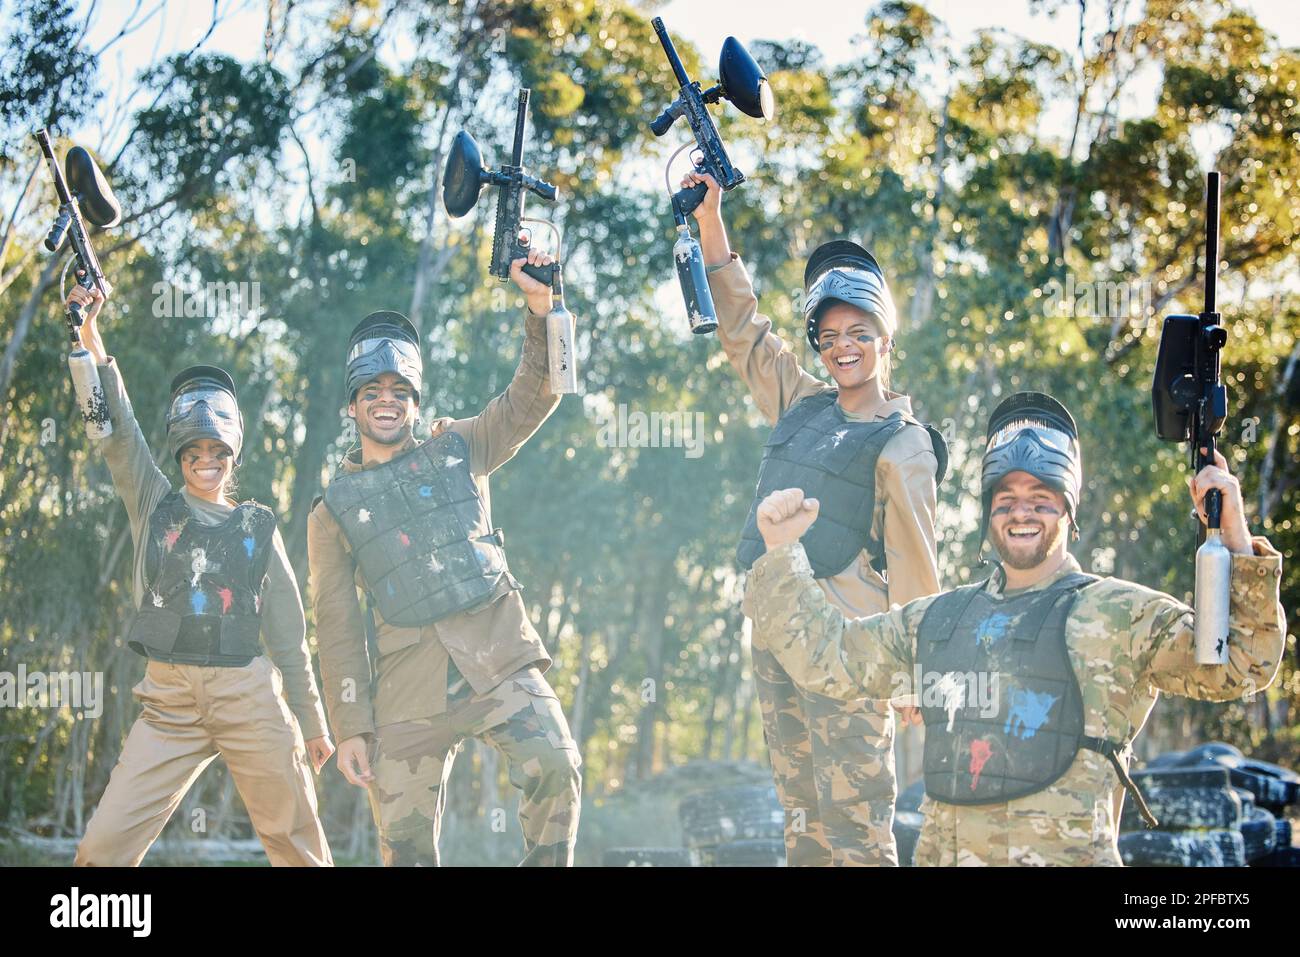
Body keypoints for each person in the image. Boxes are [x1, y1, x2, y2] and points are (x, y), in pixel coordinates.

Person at [747, 391, 1286, 866]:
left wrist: (1233, 531)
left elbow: (1239, 665)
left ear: (1069, 514)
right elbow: (829, 658)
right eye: (1005, 502)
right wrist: (783, 552)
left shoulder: (1119, 614)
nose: (1020, 514)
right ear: (988, 515)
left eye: (1041, 502)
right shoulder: (937, 619)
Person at [686, 170, 947, 866]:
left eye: (858, 332)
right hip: (778, 638)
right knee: (803, 829)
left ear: (886, 338)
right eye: (828, 337)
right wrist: (711, 222)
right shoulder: (803, 404)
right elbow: (743, 331)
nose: (842, 347)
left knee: (857, 834)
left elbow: (917, 560)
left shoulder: (904, 440)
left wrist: (916, 673)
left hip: (850, 653)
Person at [309, 249, 581, 866]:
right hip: (409, 692)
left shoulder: (458, 447)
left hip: (497, 659)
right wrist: (350, 722)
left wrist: (542, 310)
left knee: (557, 765)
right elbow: (336, 625)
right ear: (351, 407)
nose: (386, 400)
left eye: (399, 390)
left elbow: (535, 396)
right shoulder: (332, 512)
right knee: (403, 847)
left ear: (414, 399)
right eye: (372, 391)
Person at [69, 281, 334, 867]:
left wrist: (313, 724)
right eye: (193, 453)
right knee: (100, 849)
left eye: (216, 452)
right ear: (179, 453)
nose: (204, 463)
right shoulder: (153, 501)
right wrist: (88, 331)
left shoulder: (258, 527)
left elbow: (291, 641)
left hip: (249, 693)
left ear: (232, 452)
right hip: (169, 700)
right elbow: (116, 429)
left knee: (298, 848)